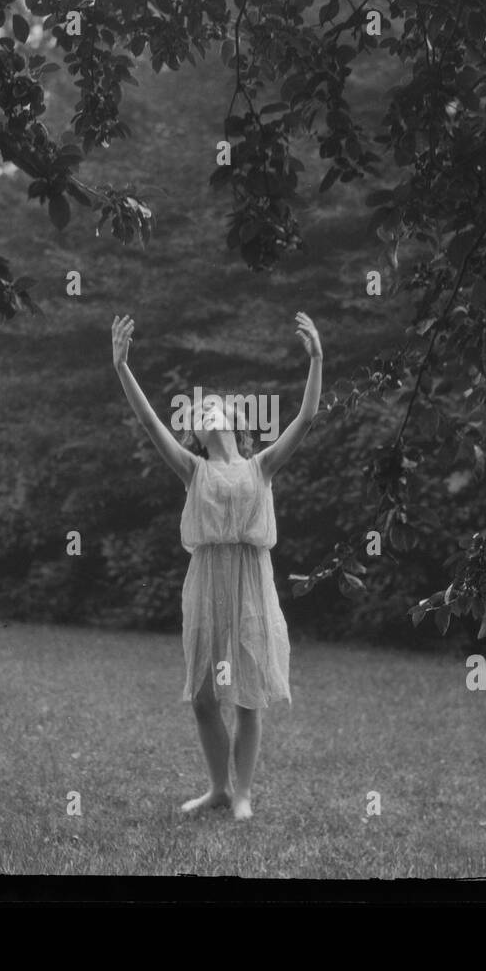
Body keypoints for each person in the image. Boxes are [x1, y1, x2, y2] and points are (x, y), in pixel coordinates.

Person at [112, 312, 323, 820]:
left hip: (251, 581)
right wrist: (122, 366)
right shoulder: (192, 469)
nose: (205, 413)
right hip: (206, 583)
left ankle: (244, 794)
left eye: (214, 408)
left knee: (249, 698)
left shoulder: (261, 466)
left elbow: (307, 417)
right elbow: (147, 422)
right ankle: (219, 789)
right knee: (206, 698)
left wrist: (317, 358)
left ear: (233, 420)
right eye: (198, 411)